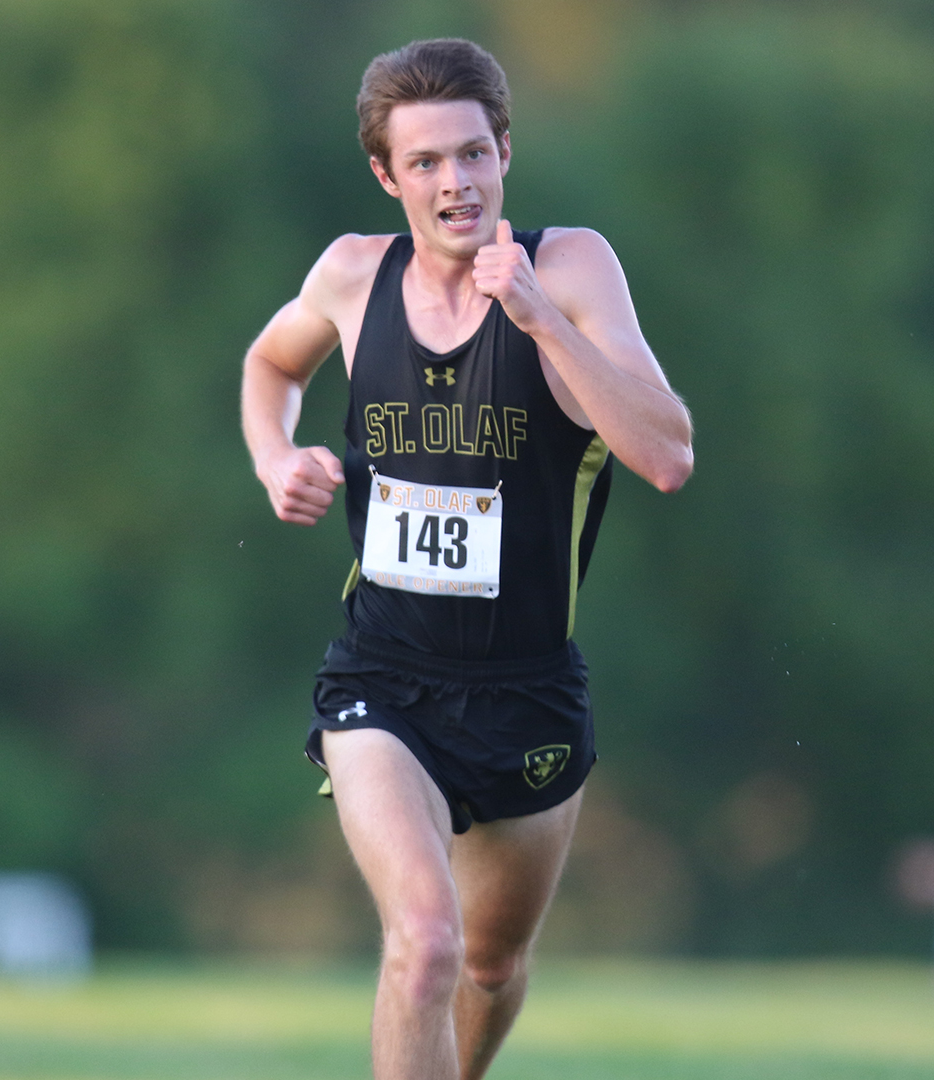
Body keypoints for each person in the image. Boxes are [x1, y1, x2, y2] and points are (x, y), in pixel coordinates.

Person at [240, 38, 693, 1080]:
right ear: (386, 175)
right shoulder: (353, 276)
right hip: (382, 680)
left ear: (505, 153)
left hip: (527, 689)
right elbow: (272, 362)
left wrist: (538, 318)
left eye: (476, 155)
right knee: (427, 943)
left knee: (488, 963)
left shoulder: (572, 267)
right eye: (430, 161)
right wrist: (277, 459)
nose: (458, 183)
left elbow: (666, 455)